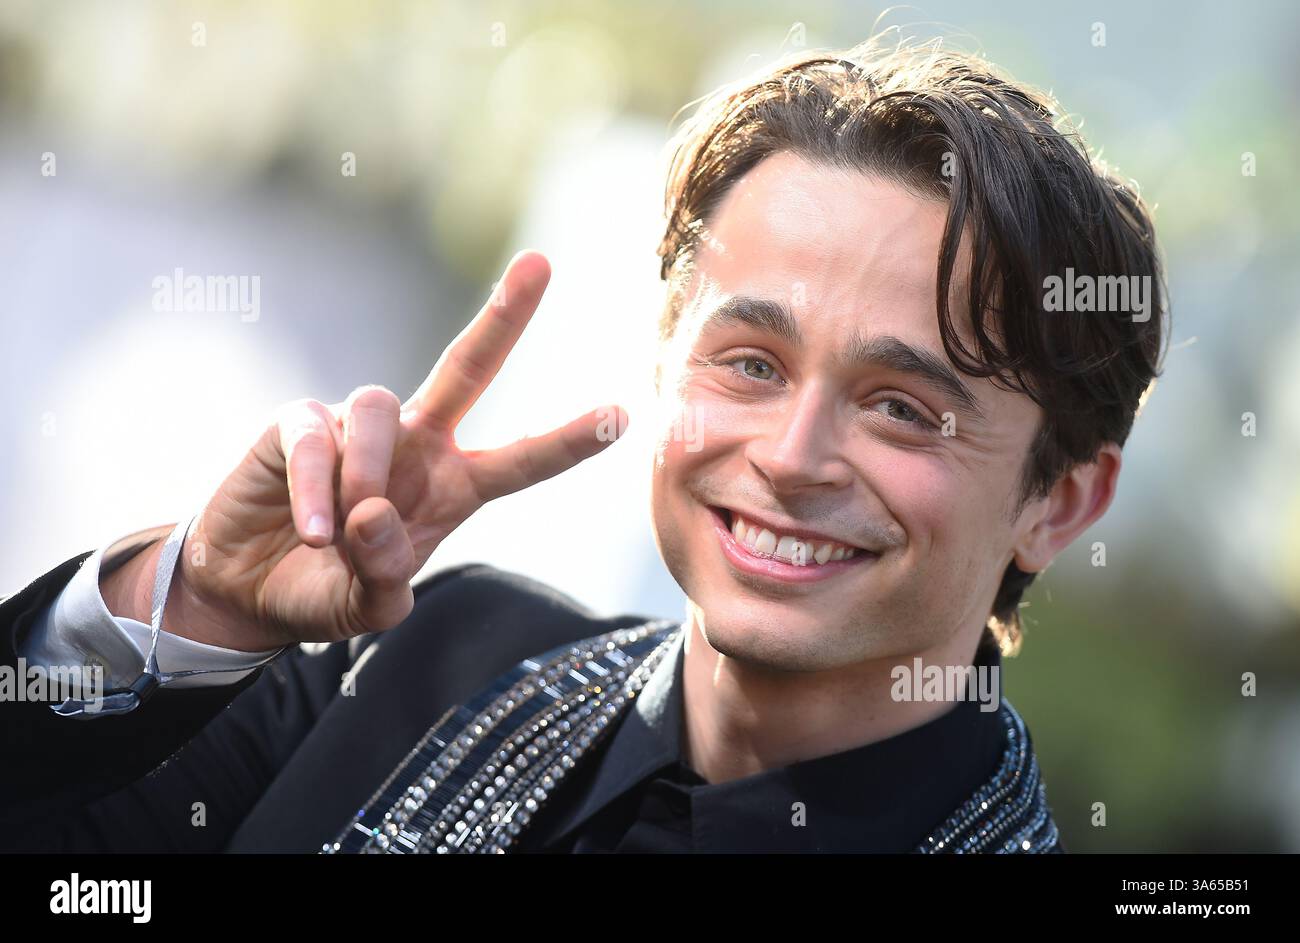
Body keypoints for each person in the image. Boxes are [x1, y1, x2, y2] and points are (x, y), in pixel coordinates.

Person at [0, 36, 1166, 853]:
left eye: (900, 406)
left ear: (1059, 501)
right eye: (752, 364)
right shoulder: (423, 662)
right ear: (664, 363)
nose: (792, 454)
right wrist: (199, 598)